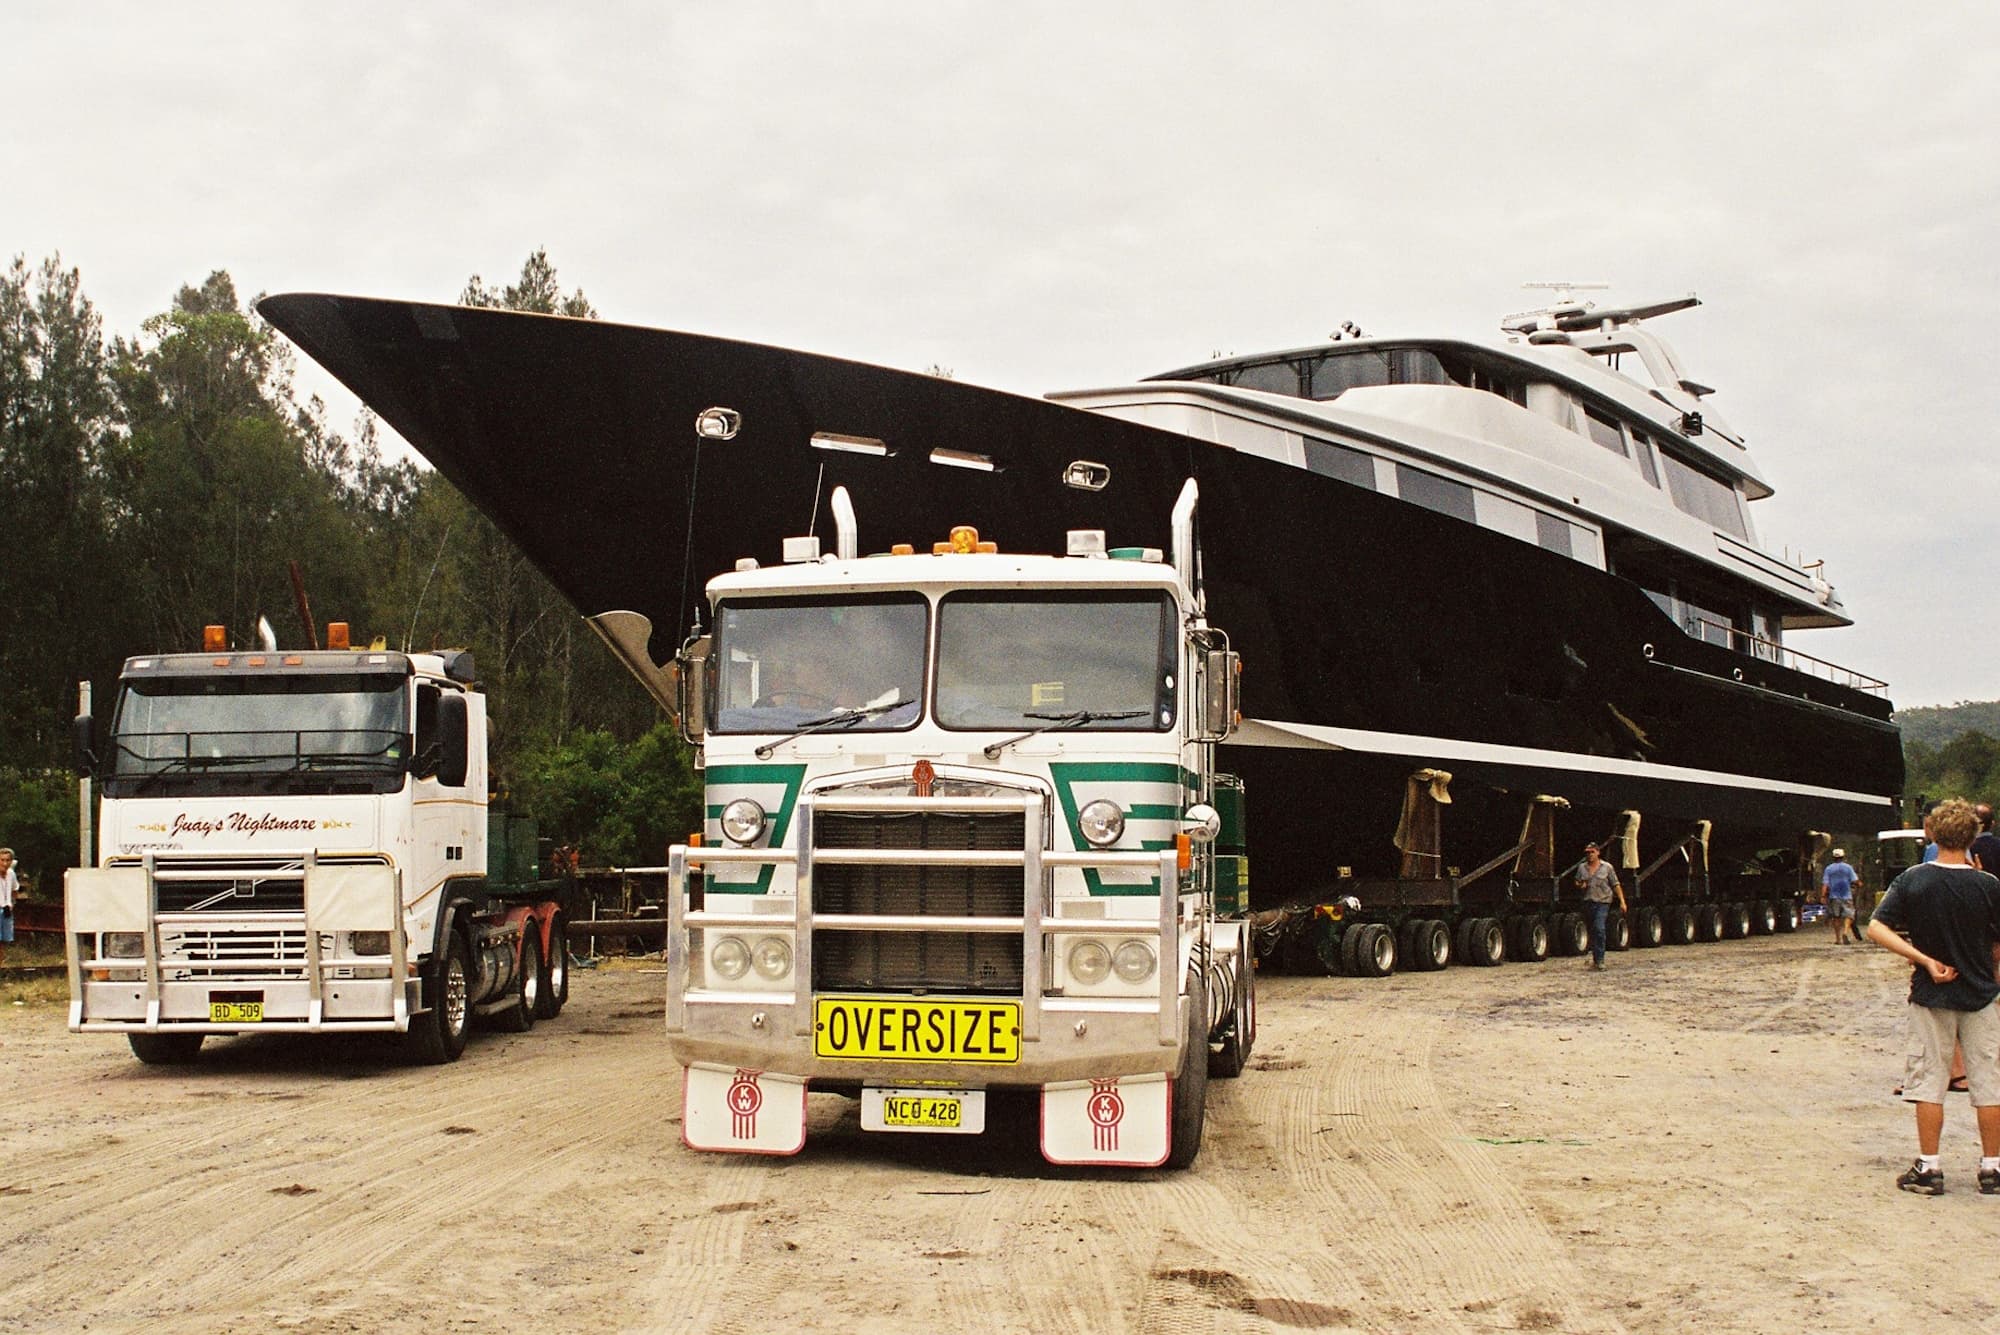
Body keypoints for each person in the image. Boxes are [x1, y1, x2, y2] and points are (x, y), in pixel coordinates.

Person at [1865, 798, 2000, 1195]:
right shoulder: (1989, 885)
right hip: (1981, 995)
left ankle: (1929, 1167)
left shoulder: (1913, 880)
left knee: (1928, 1081)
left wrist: (1924, 959)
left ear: (1931, 833)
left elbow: (1877, 928)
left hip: (1931, 994)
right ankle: (1992, 1167)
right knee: (1989, 1083)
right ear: (1973, 836)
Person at [1573, 841, 1627, 971]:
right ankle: (1596, 959)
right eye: (1587, 852)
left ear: (1598, 852)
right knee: (1592, 930)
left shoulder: (1607, 867)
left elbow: (1615, 884)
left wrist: (1622, 901)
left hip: (1603, 902)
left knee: (1599, 928)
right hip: (1588, 902)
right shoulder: (1582, 868)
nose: (1590, 855)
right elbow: (1576, 881)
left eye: (1592, 852)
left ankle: (1601, 960)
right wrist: (1580, 885)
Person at [1821, 848, 1860, 945]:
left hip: (1834, 896)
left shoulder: (1829, 869)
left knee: (1836, 917)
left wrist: (1823, 896)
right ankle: (1845, 932)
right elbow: (1855, 880)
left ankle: (1838, 939)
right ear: (1843, 857)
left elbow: (1825, 884)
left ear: (1833, 857)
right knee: (1849, 915)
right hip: (1846, 895)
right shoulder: (1848, 867)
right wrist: (1859, 883)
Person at [0, 847, 17, 966]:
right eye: (2, 860)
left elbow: (15, 889)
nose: (5, 863)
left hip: (6, 909)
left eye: (7, 860)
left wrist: (12, 903)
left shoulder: (11, 873)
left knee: (5, 940)